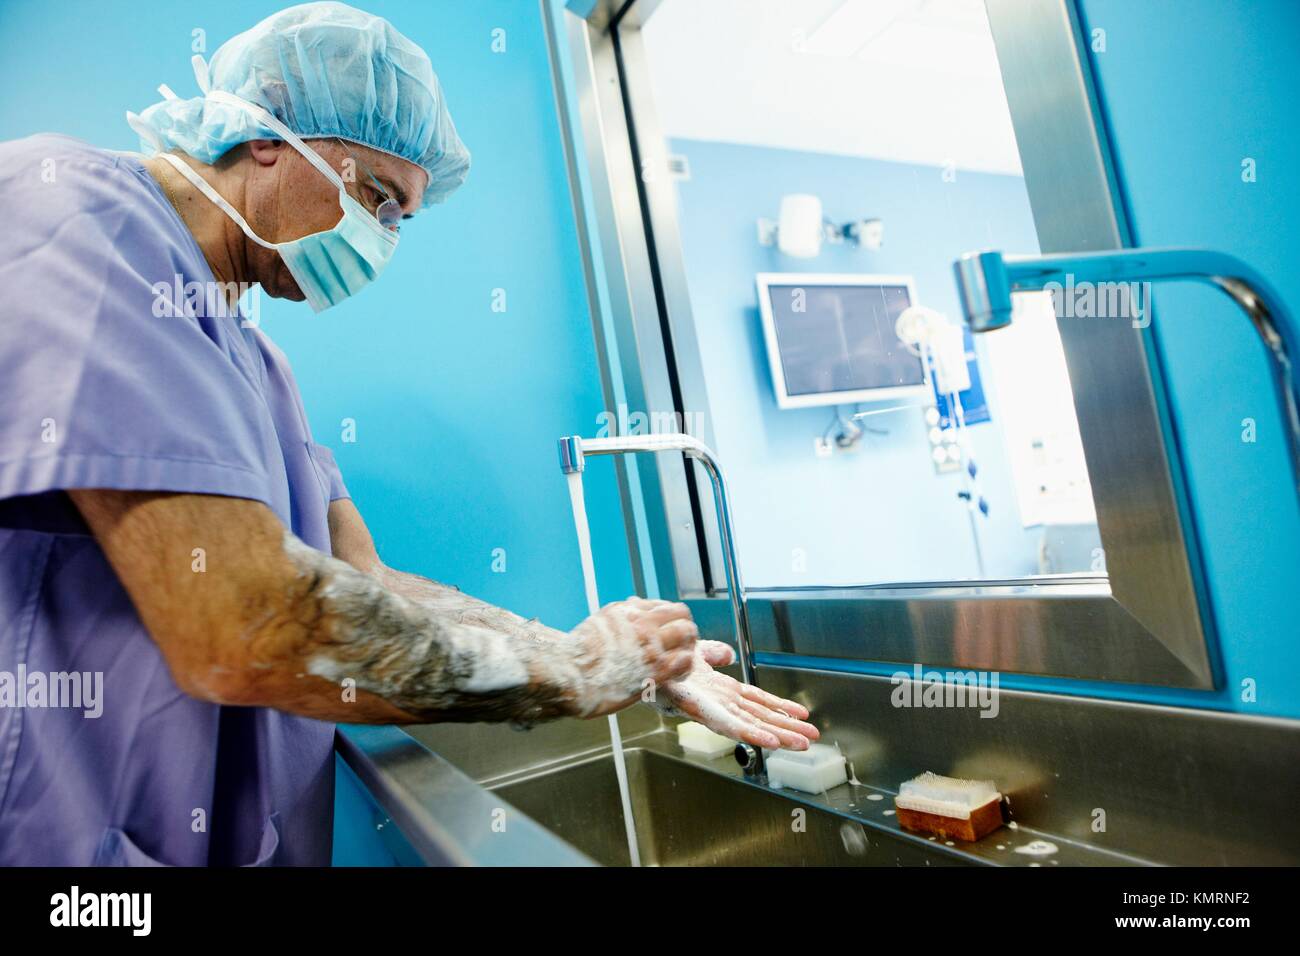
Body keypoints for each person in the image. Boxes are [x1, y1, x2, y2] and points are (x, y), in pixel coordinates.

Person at [0, 2, 817, 866]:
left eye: (400, 221)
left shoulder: (259, 363)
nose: (382, 239)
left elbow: (367, 577)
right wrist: (573, 676)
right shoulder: (72, 215)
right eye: (378, 198)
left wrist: (600, 651)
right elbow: (244, 620)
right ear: (270, 135)